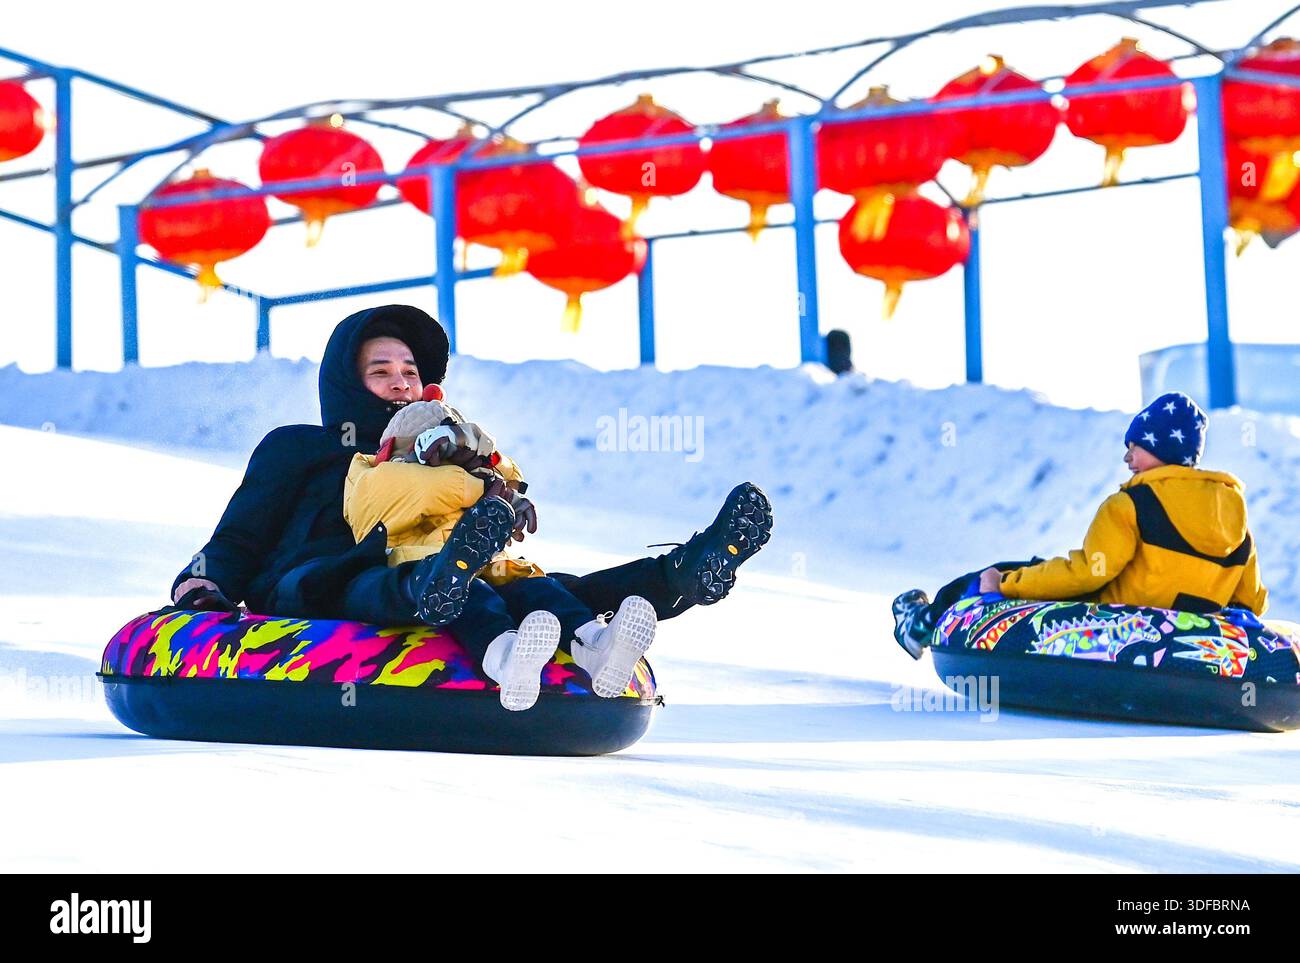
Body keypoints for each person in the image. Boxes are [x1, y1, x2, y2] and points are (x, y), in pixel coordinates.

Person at [171, 304, 772, 664]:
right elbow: (240, 535)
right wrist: (203, 583)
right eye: (380, 371)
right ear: (346, 381)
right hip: (313, 584)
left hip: (445, 573)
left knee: (533, 590)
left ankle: (679, 577)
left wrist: (500, 501)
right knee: (383, 581)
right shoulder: (299, 446)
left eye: (410, 371)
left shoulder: (441, 452)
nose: (400, 382)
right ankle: (445, 585)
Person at [342, 384, 657, 710]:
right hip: (431, 574)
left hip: (489, 568)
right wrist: (482, 487)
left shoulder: (468, 483)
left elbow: (496, 475)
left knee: (538, 590)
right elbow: (415, 488)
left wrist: (499, 486)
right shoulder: (375, 479)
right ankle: (506, 659)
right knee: (476, 600)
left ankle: (595, 644)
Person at [891, 391, 1269, 659]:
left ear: (1159, 451)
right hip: (1190, 635)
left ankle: (921, 625)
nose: (1127, 458)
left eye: (1134, 447)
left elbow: (1088, 573)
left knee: (1005, 570)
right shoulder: (1236, 518)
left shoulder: (1132, 504)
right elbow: (1249, 601)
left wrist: (1006, 585)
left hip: (1118, 622)